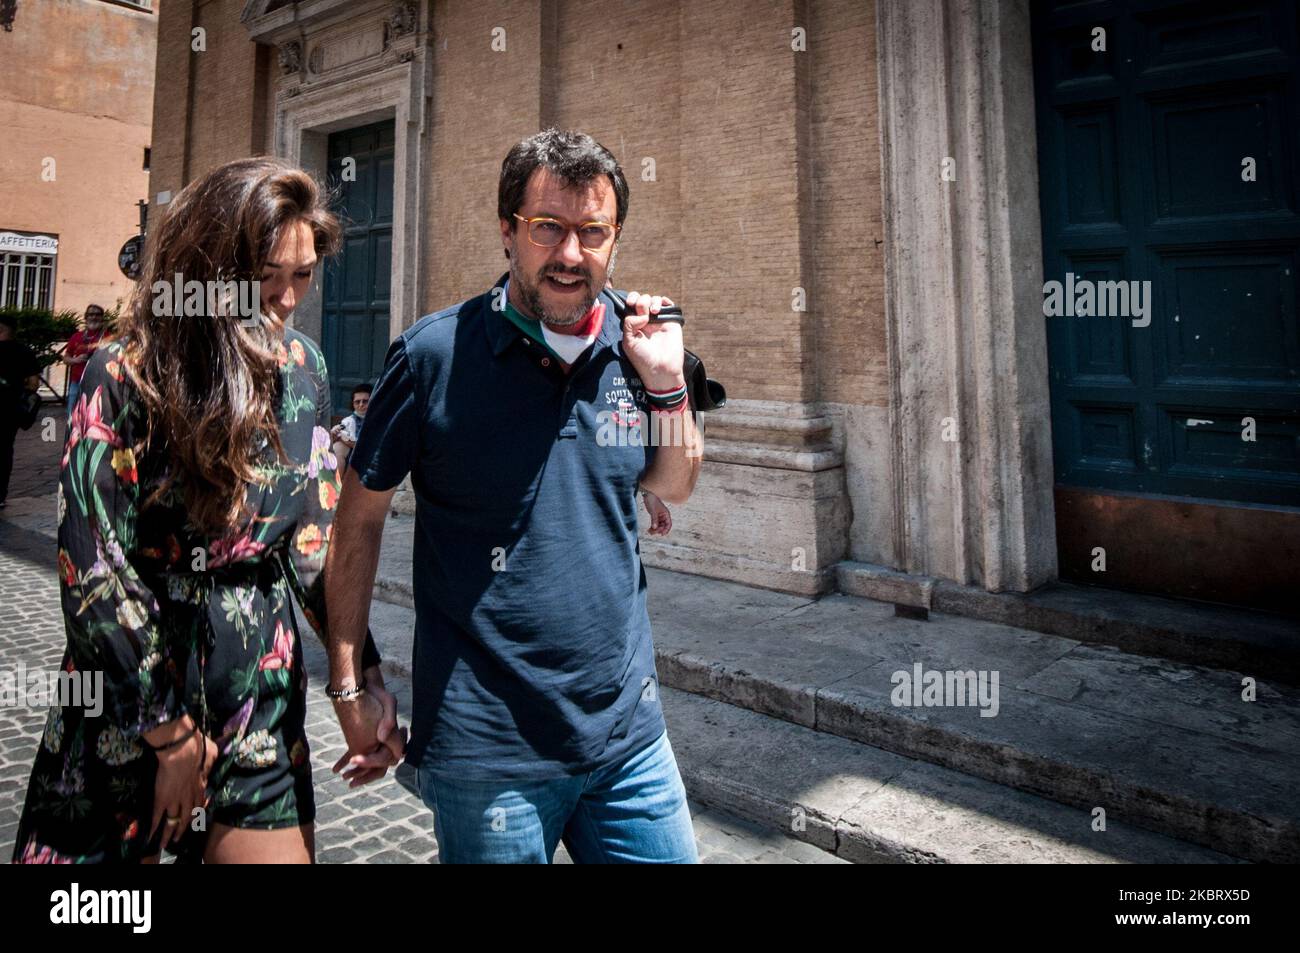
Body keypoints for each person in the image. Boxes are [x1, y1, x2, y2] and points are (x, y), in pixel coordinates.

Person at [325, 128, 703, 863]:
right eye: (547, 228)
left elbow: (673, 484)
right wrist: (350, 684)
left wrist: (667, 383)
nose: (570, 254)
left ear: (614, 238)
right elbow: (358, 517)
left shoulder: (642, 341)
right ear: (507, 232)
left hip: (628, 738)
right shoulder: (433, 355)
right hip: (485, 748)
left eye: (593, 231)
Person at [12, 157, 402, 865]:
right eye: (267, 275)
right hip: (125, 692)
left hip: (259, 688)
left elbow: (312, 550)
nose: (286, 298)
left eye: (304, 274)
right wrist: (168, 732)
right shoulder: (125, 372)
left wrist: (359, 679)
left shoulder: (306, 369)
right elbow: (92, 566)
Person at [0, 313, 40, 510]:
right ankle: (1, 493)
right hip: (11, 409)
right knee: (6, 450)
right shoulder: (25, 352)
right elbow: (34, 384)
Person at [62, 304, 107, 417]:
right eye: (91, 314)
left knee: (94, 417)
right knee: (72, 415)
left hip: (99, 383)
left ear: (102, 318)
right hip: (76, 382)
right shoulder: (76, 336)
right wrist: (75, 360)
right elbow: (65, 359)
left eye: (97, 315)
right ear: (86, 317)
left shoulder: (108, 337)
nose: (94, 317)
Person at [330, 382, 370, 470]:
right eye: (357, 402)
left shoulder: (378, 419)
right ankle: (337, 482)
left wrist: (343, 439)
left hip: (371, 457)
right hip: (351, 454)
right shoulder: (349, 420)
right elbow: (341, 428)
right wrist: (335, 433)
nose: (361, 405)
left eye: (365, 401)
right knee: (337, 447)